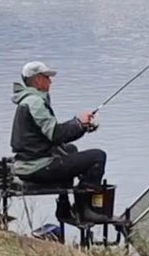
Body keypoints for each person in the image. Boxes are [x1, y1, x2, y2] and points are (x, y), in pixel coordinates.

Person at [10, 61, 105, 234]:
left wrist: (81, 126)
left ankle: (64, 207)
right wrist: (78, 123)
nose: (50, 82)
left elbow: (53, 136)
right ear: (37, 80)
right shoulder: (35, 102)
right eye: (47, 78)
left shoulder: (29, 100)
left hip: (27, 162)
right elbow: (55, 134)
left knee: (70, 150)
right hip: (36, 166)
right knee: (98, 156)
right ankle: (86, 210)